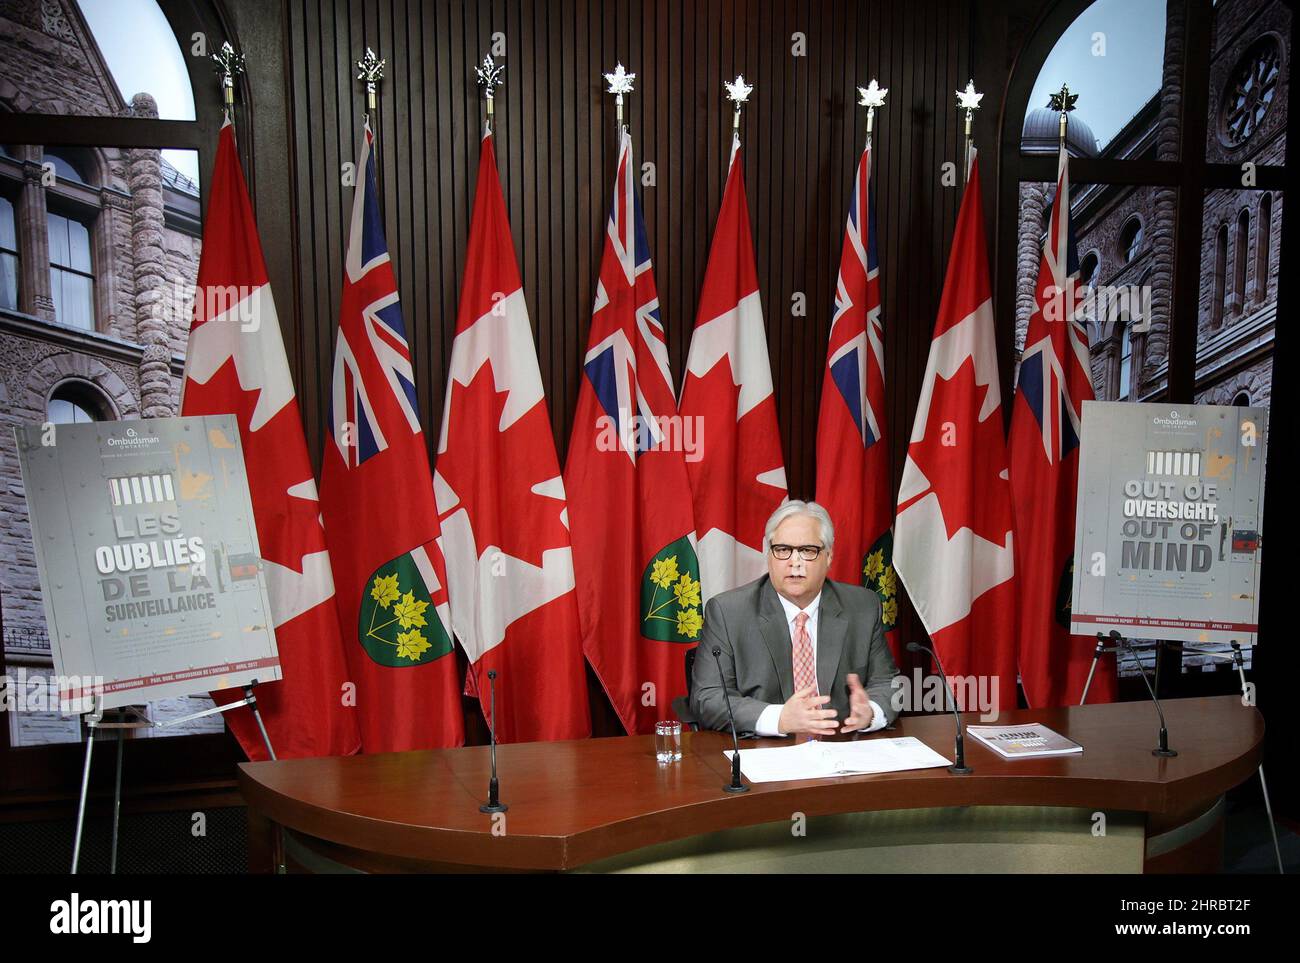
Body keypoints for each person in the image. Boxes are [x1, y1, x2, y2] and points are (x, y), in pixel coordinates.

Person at [689, 500, 900, 737]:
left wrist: (870, 711)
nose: (794, 562)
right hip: (765, 754)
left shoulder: (862, 607)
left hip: (841, 750)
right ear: (768, 555)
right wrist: (779, 719)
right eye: (782, 550)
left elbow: (888, 683)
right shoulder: (728, 612)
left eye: (808, 550)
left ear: (829, 556)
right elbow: (707, 697)